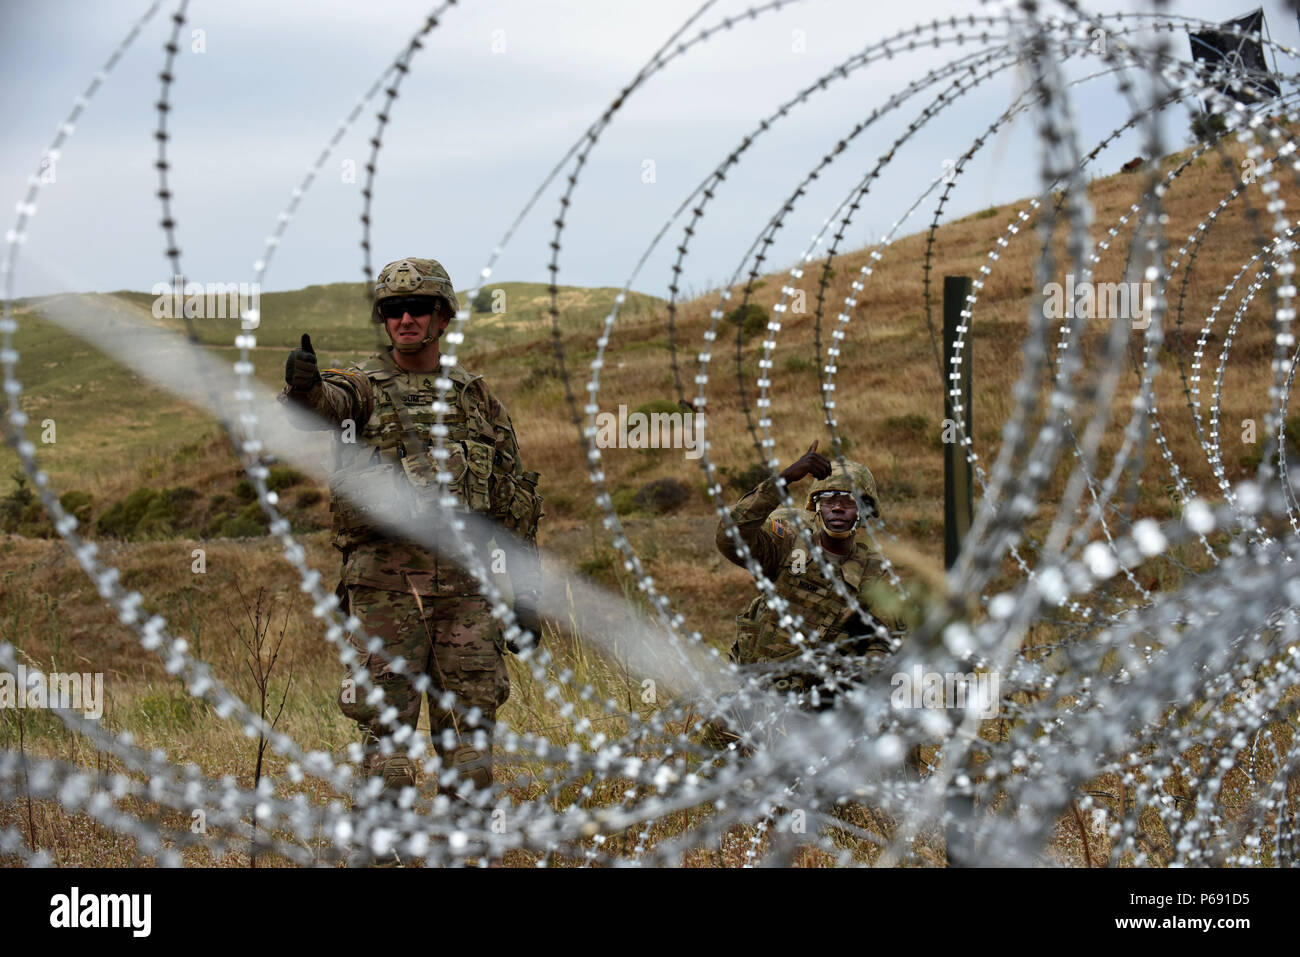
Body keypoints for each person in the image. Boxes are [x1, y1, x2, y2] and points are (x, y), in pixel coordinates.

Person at [279, 256, 543, 798]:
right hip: (386, 590)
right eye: (393, 309)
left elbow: (514, 501)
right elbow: (325, 404)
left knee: (471, 755)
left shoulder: (476, 398)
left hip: (468, 594)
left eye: (417, 307)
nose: (405, 318)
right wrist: (304, 387)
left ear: (442, 317)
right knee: (388, 752)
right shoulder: (363, 387)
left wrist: (529, 595)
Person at [714, 440, 897, 714]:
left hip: (822, 705)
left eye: (849, 501)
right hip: (761, 694)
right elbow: (730, 537)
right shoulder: (788, 542)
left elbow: (884, 642)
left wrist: (856, 678)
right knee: (721, 734)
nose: (838, 508)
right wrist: (785, 478)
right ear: (816, 507)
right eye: (829, 500)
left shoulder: (874, 573)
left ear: (863, 512)